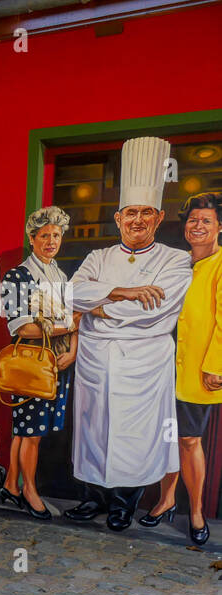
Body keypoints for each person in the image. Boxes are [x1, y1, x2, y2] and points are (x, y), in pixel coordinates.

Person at [65, 137, 193, 531]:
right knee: (92, 429)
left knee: (135, 435)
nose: (138, 220)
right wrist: (122, 292)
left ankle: (123, 504)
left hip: (145, 363)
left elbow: (157, 313)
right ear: (118, 218)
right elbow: (69, 293)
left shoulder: (176, 260)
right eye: (130, 213)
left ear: (158, 217)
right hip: (94, 361)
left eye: (146, 213)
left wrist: (97, 308)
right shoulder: (98, 257)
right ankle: (91, 499)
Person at [140, 192, 222, 544]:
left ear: (220, 226)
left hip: (197, 370)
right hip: (162, 366)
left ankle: (197, 511)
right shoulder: (177, 263)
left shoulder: (220, 264)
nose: (198, 226)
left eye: (206, 220)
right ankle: (166, 499)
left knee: (189, 439)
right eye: (192, 220)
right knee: (165, 436)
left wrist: (215, 365)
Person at [0, 206, 79, 521]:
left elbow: (71, 317)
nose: (51, 241)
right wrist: (70, 327)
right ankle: (30, 490)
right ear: (32, 238)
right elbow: (23, 327)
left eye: (56, 235)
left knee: (27, 431)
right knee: (29, 431)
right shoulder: (17, 275)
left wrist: (71, 351)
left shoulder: (60, 274)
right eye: (44, 235)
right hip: (31, 362)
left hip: (58, 361)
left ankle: (11, 485)